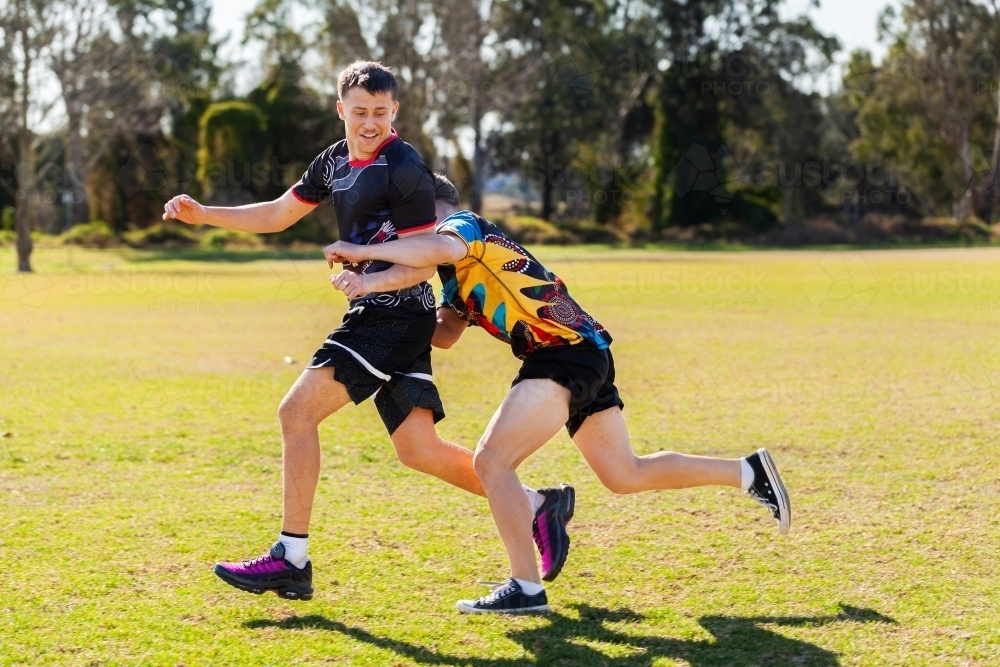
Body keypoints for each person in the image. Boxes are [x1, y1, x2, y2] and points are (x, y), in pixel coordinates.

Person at [161, 62, 573, 602]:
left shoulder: (405, 167)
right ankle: (538, 505)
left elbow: (424, 263)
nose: (371, 122)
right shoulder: (332, 162)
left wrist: (366, 283)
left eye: (381, 112)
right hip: (395, 317)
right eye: (360, 112)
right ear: (341, 111)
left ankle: (291, 557)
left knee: (296, 411)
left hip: (394, 316)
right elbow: (281, 213)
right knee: (419, 451)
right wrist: (205, 214)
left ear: (394, 111)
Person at [324, 173, 791, 614]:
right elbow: (444, 333)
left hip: (562, 353)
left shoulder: (460, 228)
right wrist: (381, 304)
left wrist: (368, 256)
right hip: (580, 354)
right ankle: (748, 472)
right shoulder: (453, 276)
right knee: (624, 474)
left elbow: (440, 244)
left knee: (492, 462)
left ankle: (525, 588)